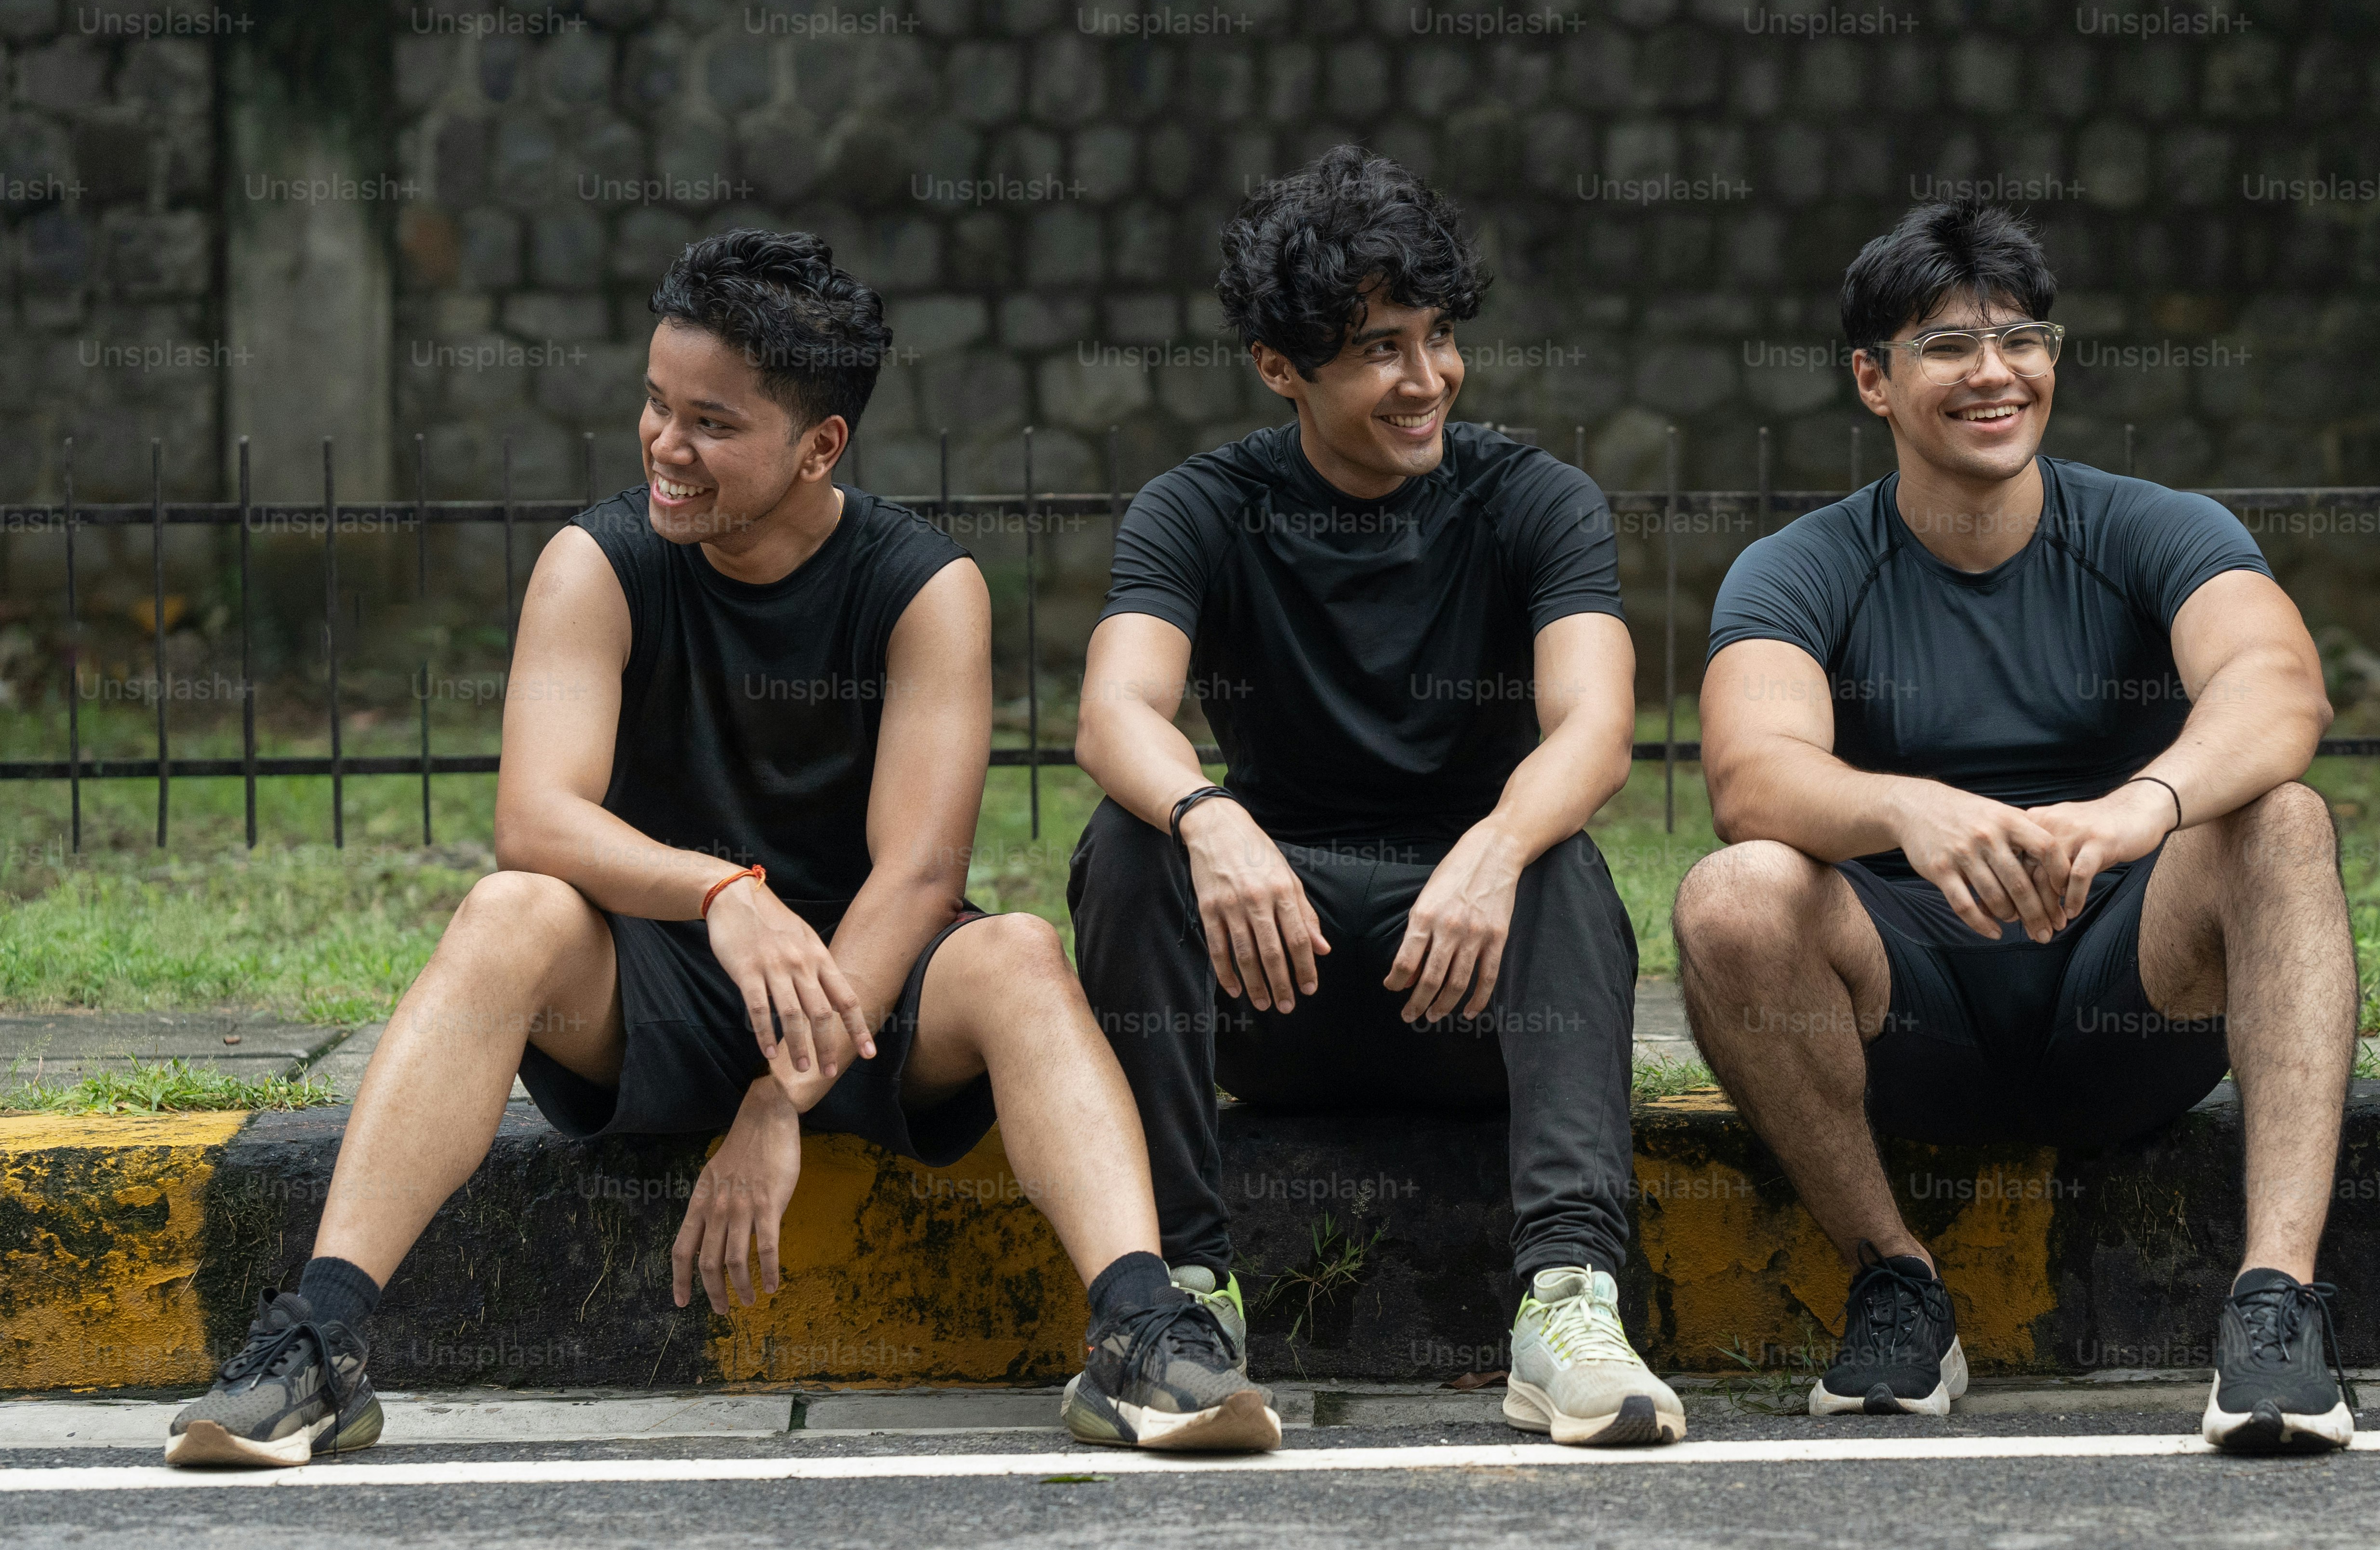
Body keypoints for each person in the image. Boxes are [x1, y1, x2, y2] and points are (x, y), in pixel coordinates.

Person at [165, 229, 1275, 1468]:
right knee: (507, 912)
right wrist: (719, 890)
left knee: (1015, 950)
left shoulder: (922, 586)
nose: (665, 447)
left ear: (819, 447)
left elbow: (917, 877)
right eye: (655, 404)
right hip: (660, 989)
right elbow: (536, 816)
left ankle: (1139, 1333)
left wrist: (778, 1098)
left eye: (711, 422)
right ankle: (320, 1341)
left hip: (858, 990)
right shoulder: (601, 562)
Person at [1673, 200, 2365, 1455]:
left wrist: (2136, 808)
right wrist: (1905, 808)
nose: (1994, 371)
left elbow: (2280, 688)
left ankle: (2276, 1306)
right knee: (1732, 890)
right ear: (1873, 380)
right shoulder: (1802, 565)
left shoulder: (2155, 528)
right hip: (1910, 1021)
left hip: (2130, 1001)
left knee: (2282, 818)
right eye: (1945, 345)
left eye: (2021, 337)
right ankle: (1896, 1280)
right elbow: (1751, 771)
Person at [1069, 146, 1680, 1448]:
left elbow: (1598, 726)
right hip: (1268, 978)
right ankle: (1182, 1297)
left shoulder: (1531, 501)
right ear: (1281, 368)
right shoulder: (1203, 508)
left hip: (1467, 988)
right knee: (1129, 843)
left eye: (1441, 336)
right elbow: (1115, 712)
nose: (1430, 379)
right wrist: (1211, 817)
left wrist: (1499, 844)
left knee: (1561, 857)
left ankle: (1567, 1304)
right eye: (1382, 350)